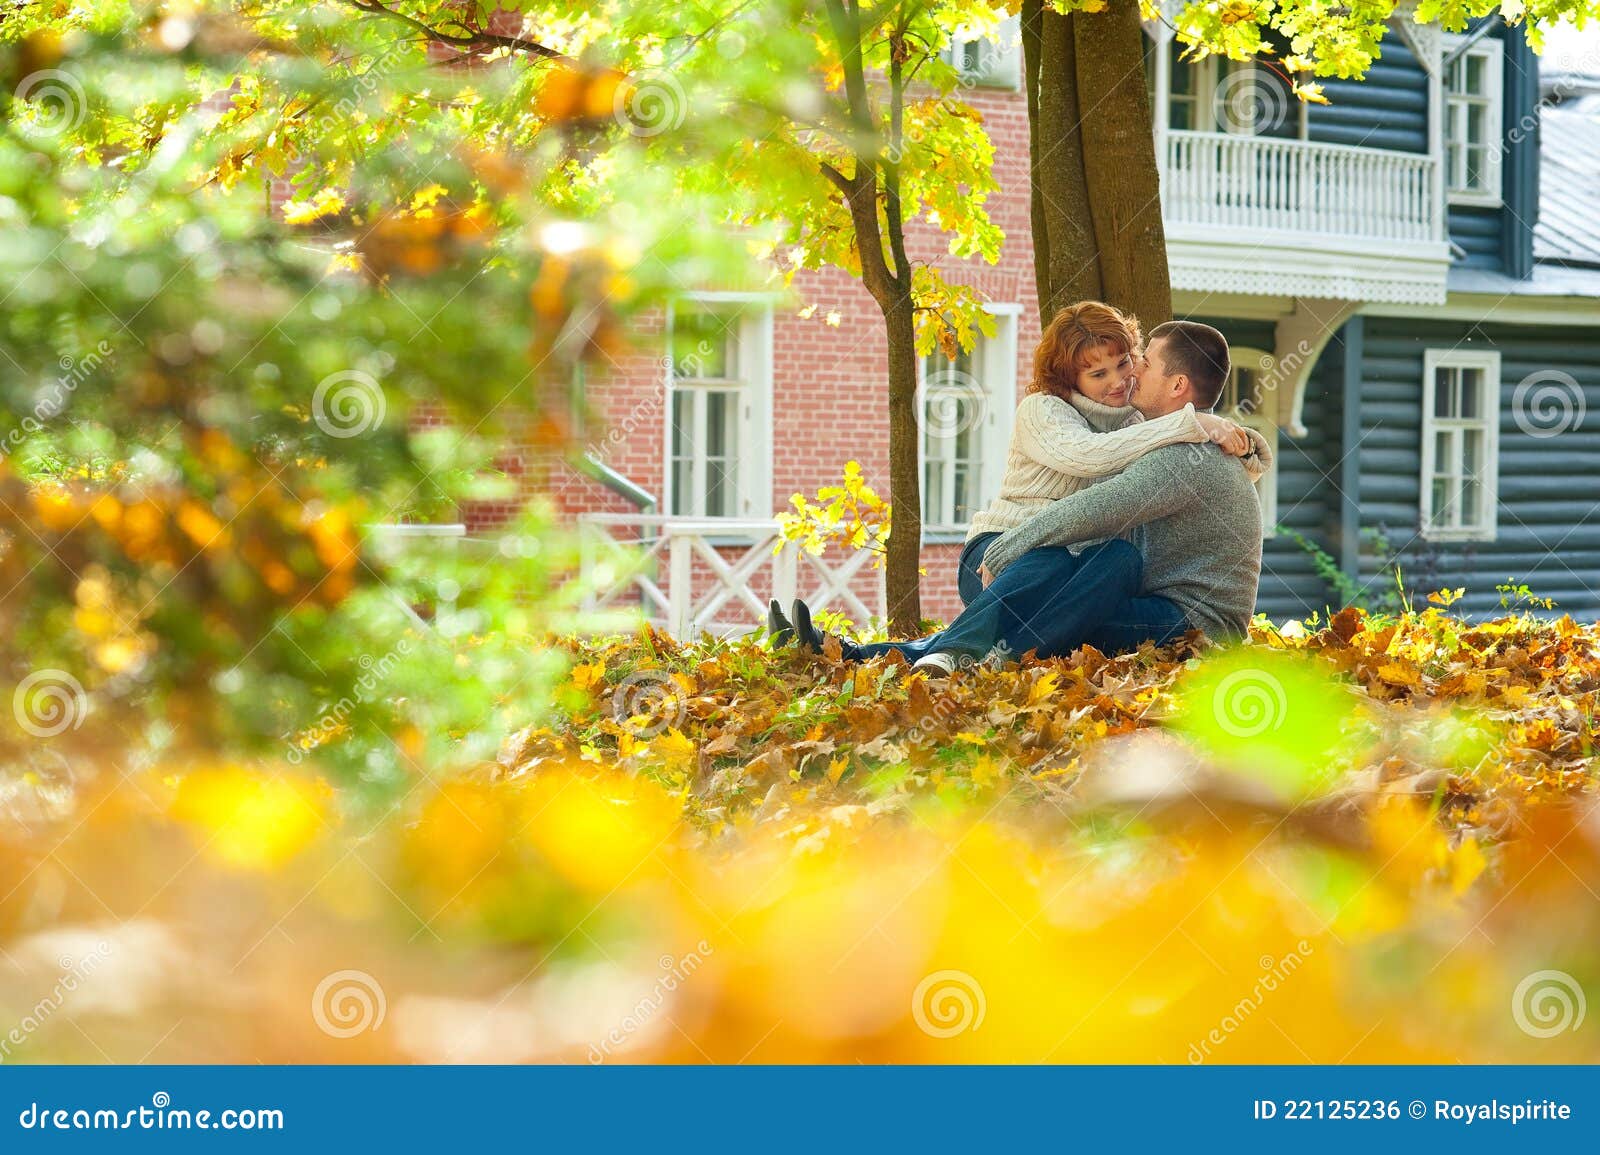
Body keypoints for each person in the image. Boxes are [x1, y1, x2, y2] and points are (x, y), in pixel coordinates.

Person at [770, 311, 1268, 669]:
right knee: (1066, 601)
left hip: (1194, 625)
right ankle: (904, 654)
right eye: (1105, 369)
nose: (1131, 371)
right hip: (1020, 559)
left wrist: (1226, 436)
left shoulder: (1183, 454)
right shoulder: (1144, 431)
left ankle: (921, 656)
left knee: (1069, 606)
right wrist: (1210, 428)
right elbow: (1091, 462)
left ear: (1177, 387)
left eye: (1143, 362)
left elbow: (1100, 506)